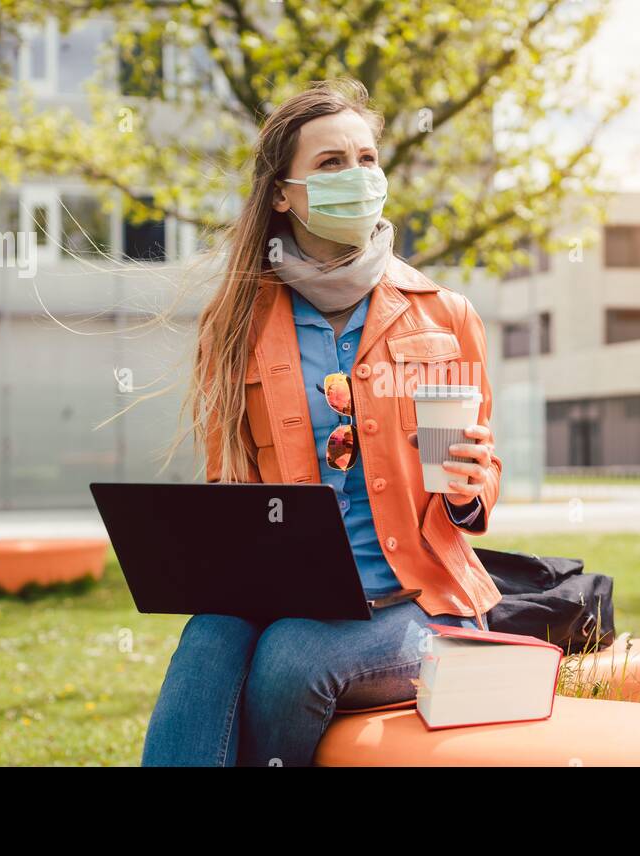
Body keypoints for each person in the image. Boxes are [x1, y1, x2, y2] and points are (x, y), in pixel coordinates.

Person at [140, 80, 503, 767]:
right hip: (287, 597)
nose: (358, 177)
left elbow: (477, 493)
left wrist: (468, 488)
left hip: (420, 603)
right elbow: (229, 483)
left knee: (291, 658)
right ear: (283, 193)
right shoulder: (235, 325)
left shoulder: (446, 313)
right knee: (208, 640)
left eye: (367, 158)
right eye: (332, 163)